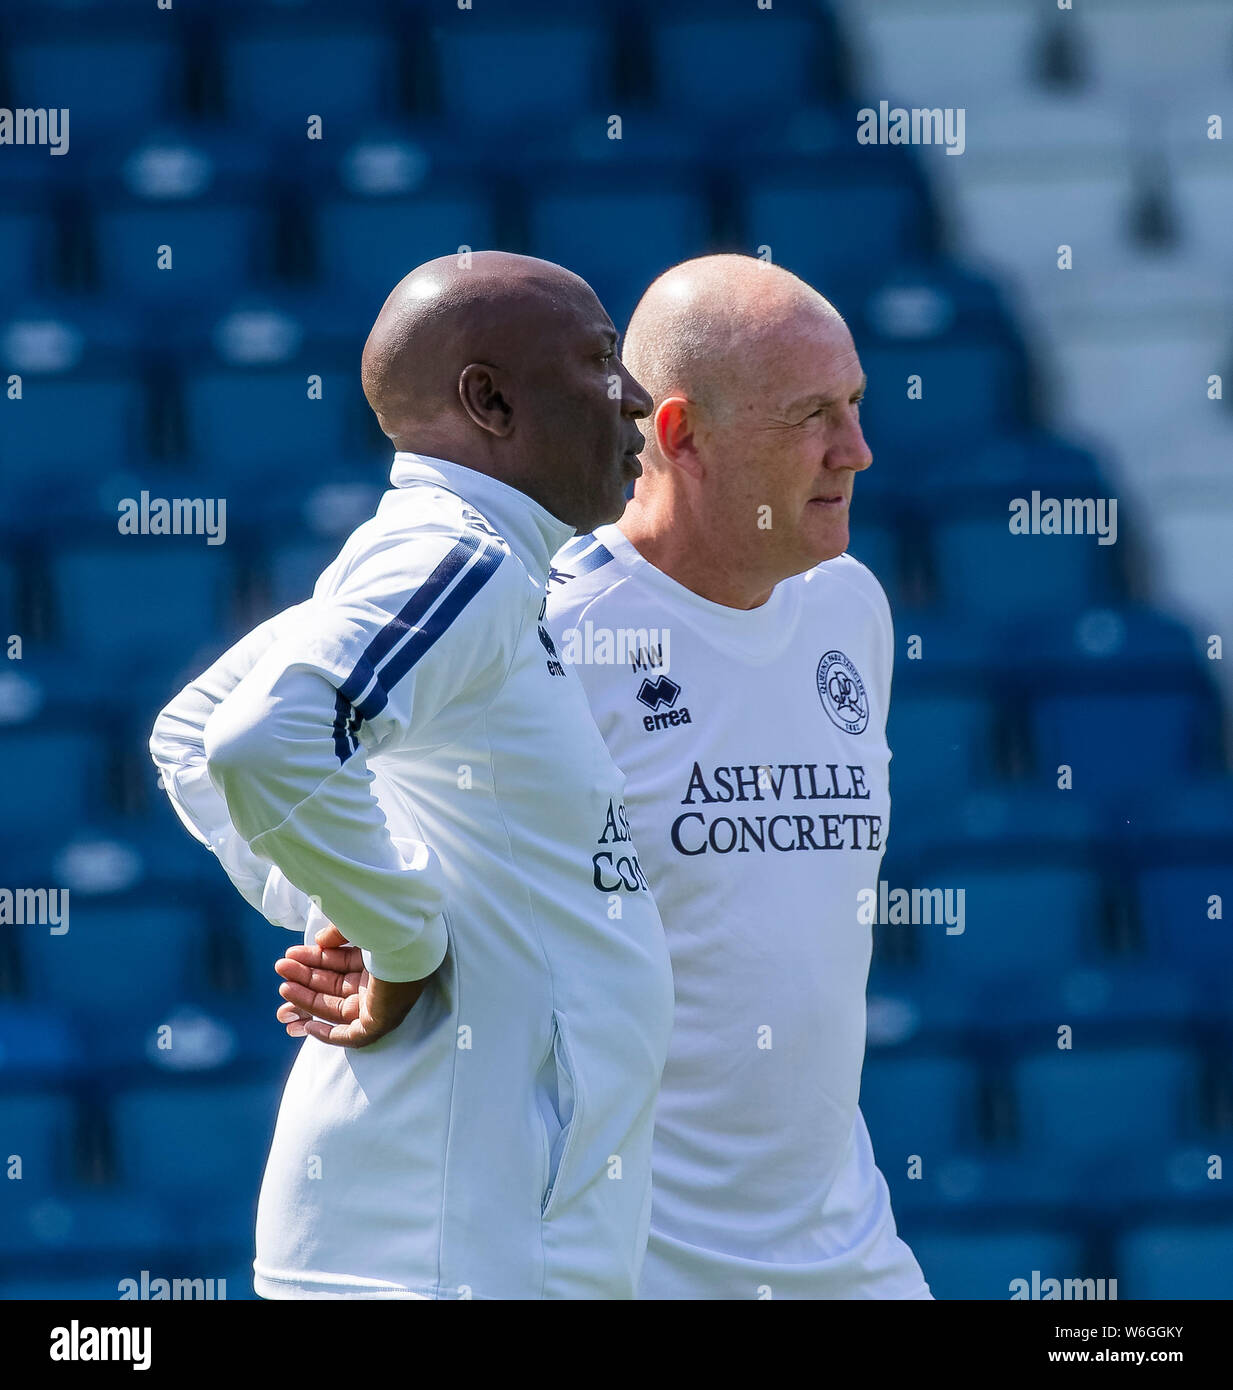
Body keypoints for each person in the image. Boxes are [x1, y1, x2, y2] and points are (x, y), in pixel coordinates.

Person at [277, 253, 931, 1300]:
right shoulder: (542, 623)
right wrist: (360, 926)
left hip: (843, 1253)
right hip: (618, 1259)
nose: (855, 450)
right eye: (810, 416)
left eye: (853, 405)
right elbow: (310, 790)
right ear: (678, 436)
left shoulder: (850, 607)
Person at [149, 251, 675, 1300]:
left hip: (443, 1235)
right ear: (488, 400)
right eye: (600, 361)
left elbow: (193, 726)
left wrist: (339, 909)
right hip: (456, 1250)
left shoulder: (460, 557)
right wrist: (398, 937)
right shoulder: (464, 563)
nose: (634, 398)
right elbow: (255, 740)